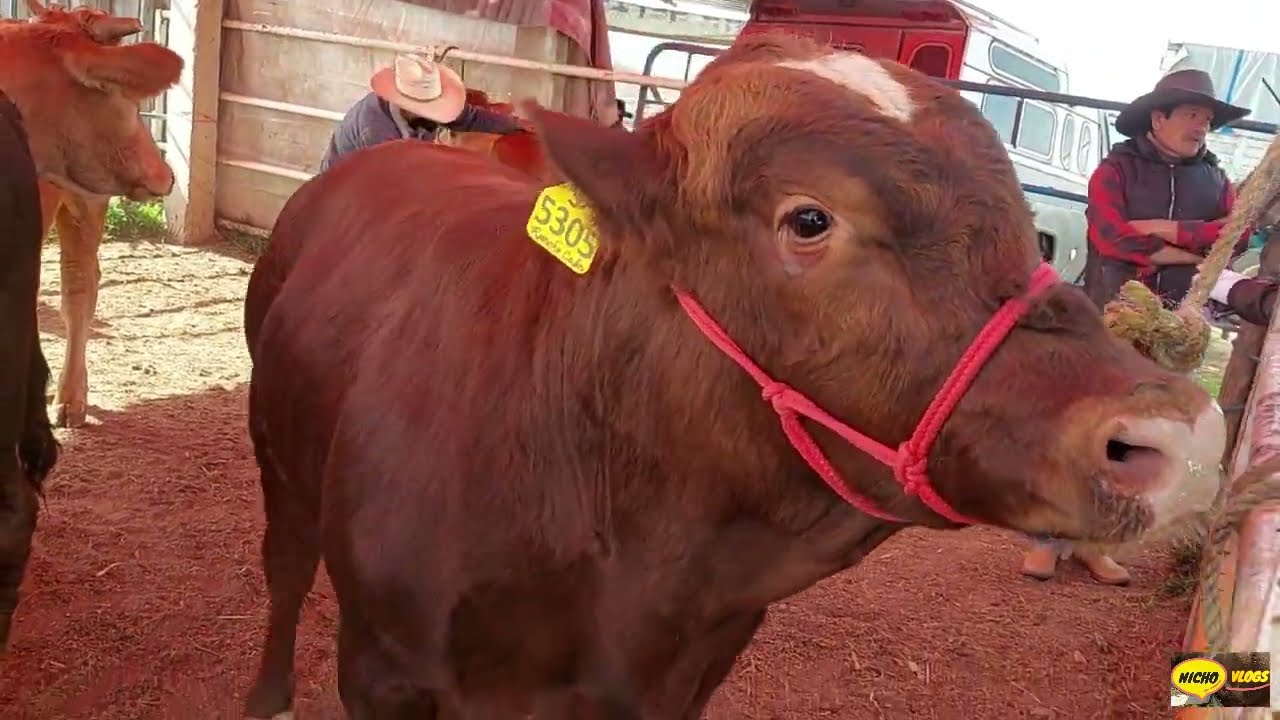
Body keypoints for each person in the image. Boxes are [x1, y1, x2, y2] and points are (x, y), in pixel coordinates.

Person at [1025, 69, 1254, 586]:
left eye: (1207, 118)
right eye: (1191, 114)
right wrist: (1191, 250)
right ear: (1158, 118)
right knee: (1082, 425)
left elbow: (1234, 238)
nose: (1201, 125)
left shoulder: (1217, 181)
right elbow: (1112, 239)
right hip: (1111, 316)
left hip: (1174, 328)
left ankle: (1098, 543)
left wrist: (1167, 230)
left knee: (1140, 434)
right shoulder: (1114, 171)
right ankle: (1048, 537)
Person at [319, 52, 528, 173]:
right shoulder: (378, 132)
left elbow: (468, 117)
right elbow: (399, 181)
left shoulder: (413, 115)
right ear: (410, 107)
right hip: (348, 184)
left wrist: (515, 124)